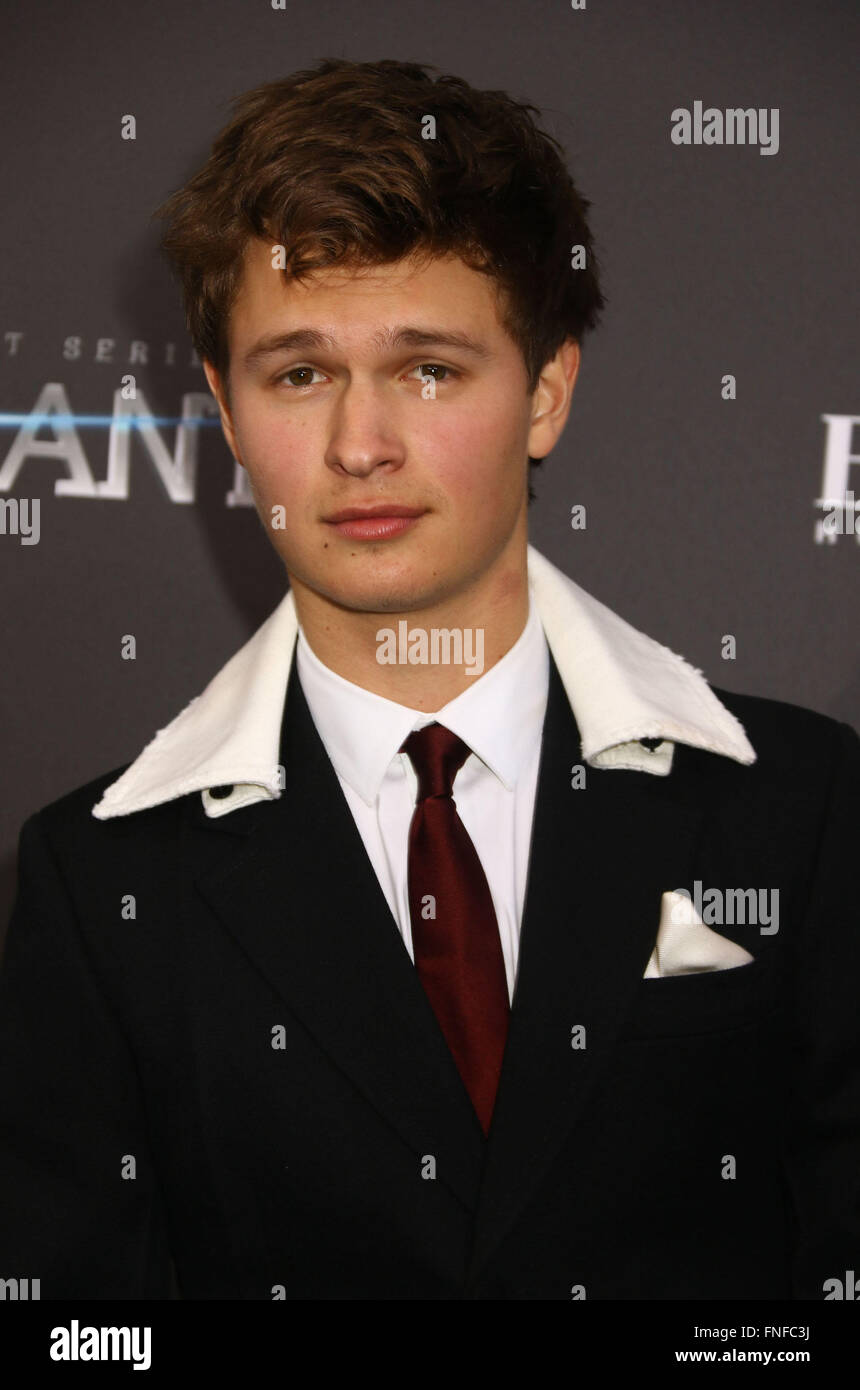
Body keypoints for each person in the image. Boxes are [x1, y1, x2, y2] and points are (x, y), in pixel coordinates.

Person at [0, 57, 857, 1301]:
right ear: (226, 417)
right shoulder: (101, 882)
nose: (359, 446)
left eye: (428, 369)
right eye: (298, 372)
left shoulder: (804, 809)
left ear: (545, 392)